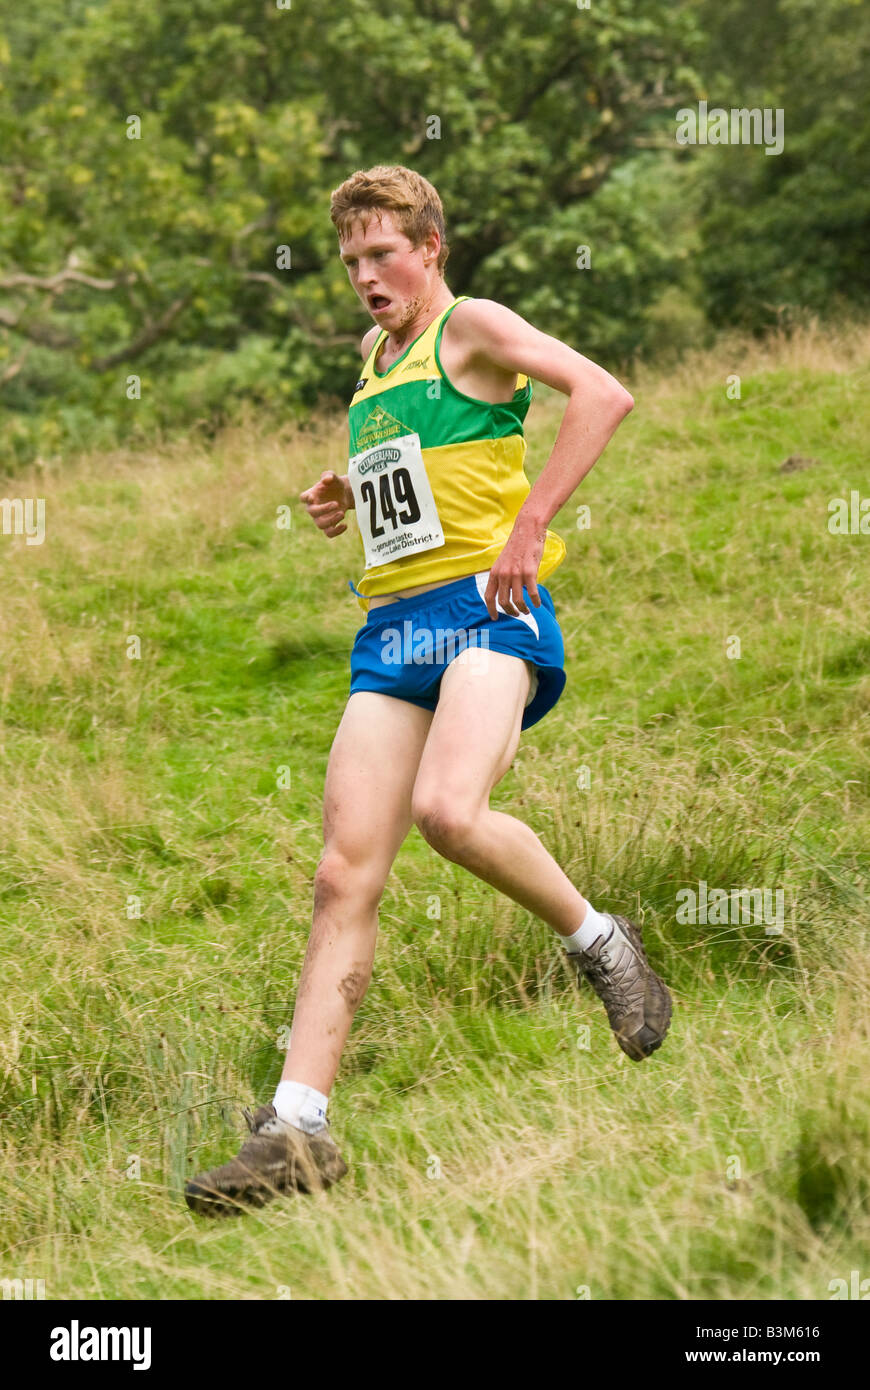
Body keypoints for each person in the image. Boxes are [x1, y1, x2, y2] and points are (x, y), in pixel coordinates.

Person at [185, 165, 671, 1217]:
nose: (366, 274)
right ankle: (298, 1127)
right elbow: (413, 468)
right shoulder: (373, 359)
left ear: (431, 247)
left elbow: (605, 393)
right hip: (391, 628)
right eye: (352, 258)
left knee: (449, 812)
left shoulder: (476, 326)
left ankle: (602, 940)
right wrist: (342, 486)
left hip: (488, 611)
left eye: (383, 253)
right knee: (341, 870)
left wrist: (534, 522)